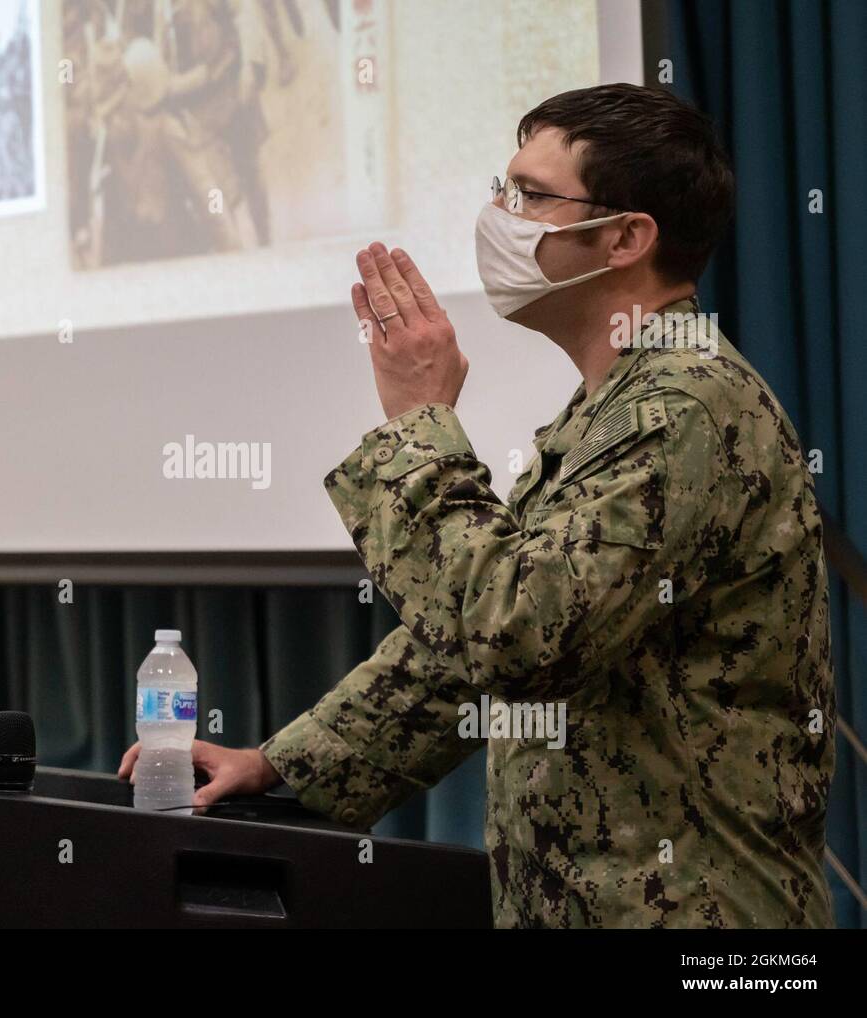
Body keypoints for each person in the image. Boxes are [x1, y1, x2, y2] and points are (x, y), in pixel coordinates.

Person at [119, 83, 836, 929]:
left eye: (531, 195)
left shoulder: (686, 408)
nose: (501, 216)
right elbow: (461, 658)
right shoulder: (618, 406)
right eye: (504, 190)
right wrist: (283, 764)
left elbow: (516, 638)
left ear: (625, 238)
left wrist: (423, 423)